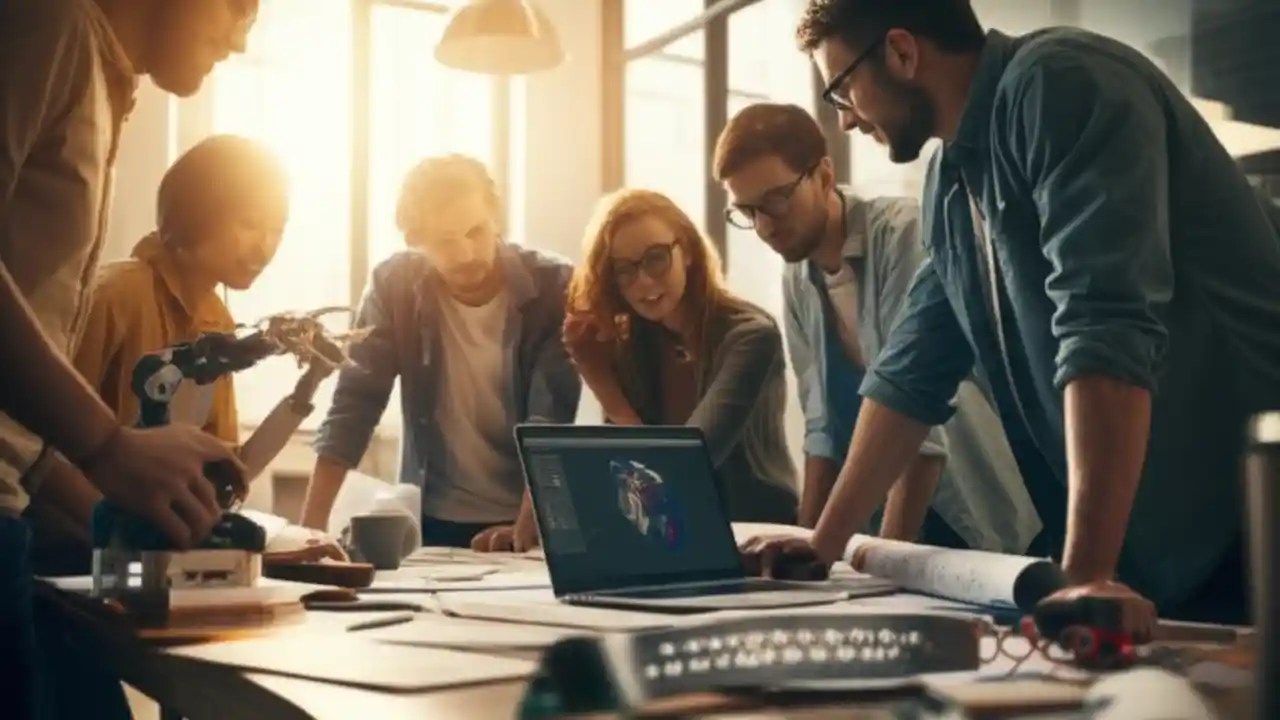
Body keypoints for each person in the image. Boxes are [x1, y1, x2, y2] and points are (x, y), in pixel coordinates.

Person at [744, 0, 1280, 627]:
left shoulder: (1061, 83)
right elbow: (911, 372)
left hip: (1250, 513)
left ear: (901, 52)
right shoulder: (951, 177)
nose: (847, 118)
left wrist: (1088, 575)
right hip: (1167, 549)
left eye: (841, 89)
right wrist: (825, 542)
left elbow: (1104, 324)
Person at [0, 0, 259, 716]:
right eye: (240, 6)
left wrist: (149, 520)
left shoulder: (104, 79)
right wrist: (108, 445)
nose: (241, 38)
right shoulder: (48, 24)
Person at [715, 102, 1040, 553]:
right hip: (883, 509)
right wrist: (805, 544)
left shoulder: (903, 232)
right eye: (747, 211)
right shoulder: (797, 276)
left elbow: (916, 415)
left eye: (776, 199)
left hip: (972, 506)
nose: (765, 226)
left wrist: (883, 556)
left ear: (824, 175)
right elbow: (822, 429)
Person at [23, 135, 337, 573]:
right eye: (250, 223)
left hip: (149, 556)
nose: (265, 246)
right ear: (196, 212)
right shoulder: (115, 295)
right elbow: (36, 448)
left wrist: (308, 388)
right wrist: (129, 540)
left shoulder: (219, 323)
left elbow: (227, 470)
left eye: (277, 229)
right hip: (65, 551)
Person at [299, 155, 581, 552]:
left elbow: (549, 417)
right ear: (416, 241)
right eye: (446, 241)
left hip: (527, 515)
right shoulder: (394, 286)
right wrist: (308, 532)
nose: (466, 254)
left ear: (496, 218)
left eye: (476, 232)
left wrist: (529, 527)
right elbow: (355, 403)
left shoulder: (554, 285)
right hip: (432, 519)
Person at [555, 188, 800, 529]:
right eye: (624, 270)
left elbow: (686, 466)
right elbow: (628, 473)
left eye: (656, 258)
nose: (644, 282)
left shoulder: (751, 336)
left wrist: (601, 381)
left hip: (751, 529)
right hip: (671, 529)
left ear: (686, 251)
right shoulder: (634, 340)